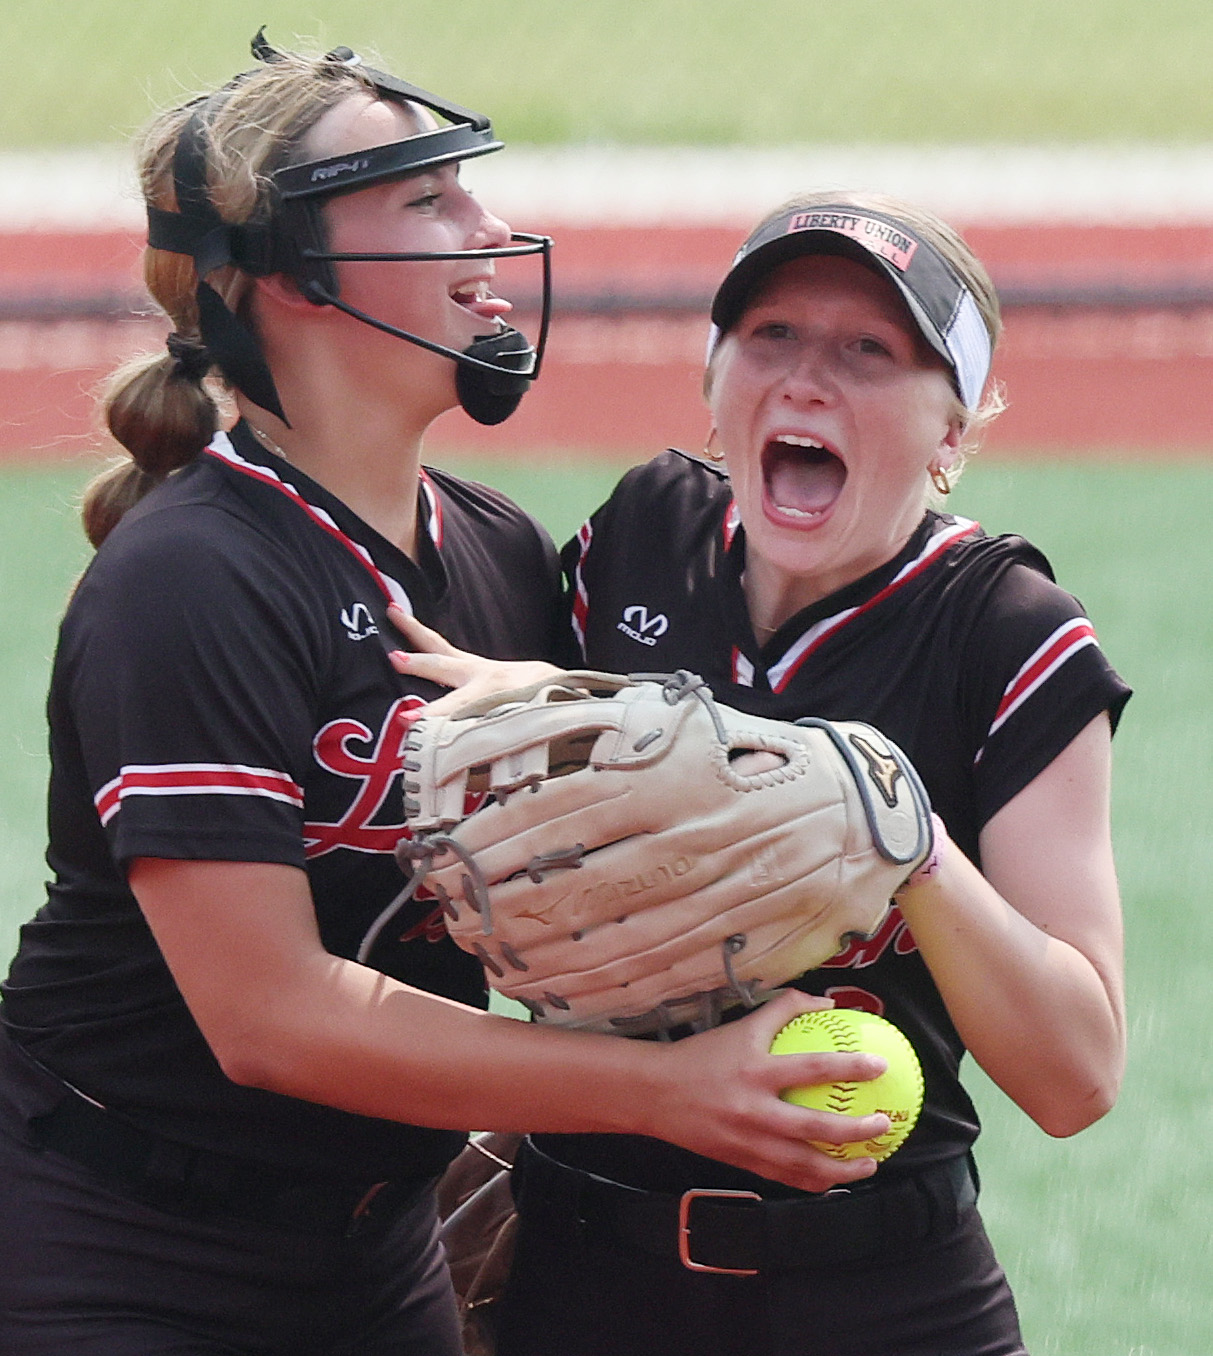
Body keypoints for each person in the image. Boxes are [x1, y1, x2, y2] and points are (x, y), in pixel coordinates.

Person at [0, 45, 902, 1356]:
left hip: (375, 1256)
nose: (487, 230)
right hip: (119, 1243)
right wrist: (663, 1092)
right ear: (290, 274)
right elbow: (268, 1018)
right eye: (427, 202)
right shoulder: (192, 579)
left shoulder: (494, 551)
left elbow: (566, 898)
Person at [393, 190, 1132, 1355]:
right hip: (577, 1270)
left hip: (883, 1290)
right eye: (771, 336)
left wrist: (910, 843)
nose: (804, 381)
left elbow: (1076, 1073)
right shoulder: (640, 535)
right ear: (714, 381)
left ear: (952, 432)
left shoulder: (1003, 630)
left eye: (868, 351)